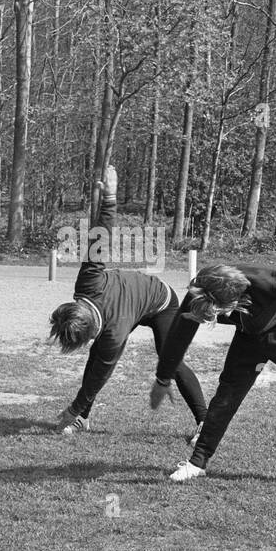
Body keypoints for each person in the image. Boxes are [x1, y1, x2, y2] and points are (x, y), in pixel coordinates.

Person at [48, 165, 207, 439]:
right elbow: (99, 236)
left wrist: (73, 407)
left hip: (160, 300)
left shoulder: (113, 333)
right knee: (96, 359)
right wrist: (107, 198)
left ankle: (206, 422)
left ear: (92, 333)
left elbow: (102, 376)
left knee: (171, 359)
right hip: (128, 304)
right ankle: (83, 418)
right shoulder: (86, 283)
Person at [151, 262, 276, 481]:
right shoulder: (201, 291)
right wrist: (163, 377)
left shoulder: (265, 281)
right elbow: (180, 333)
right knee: (225, 397)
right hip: (250, 336)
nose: (224, 316)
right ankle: (197, 463)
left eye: (223, 310)